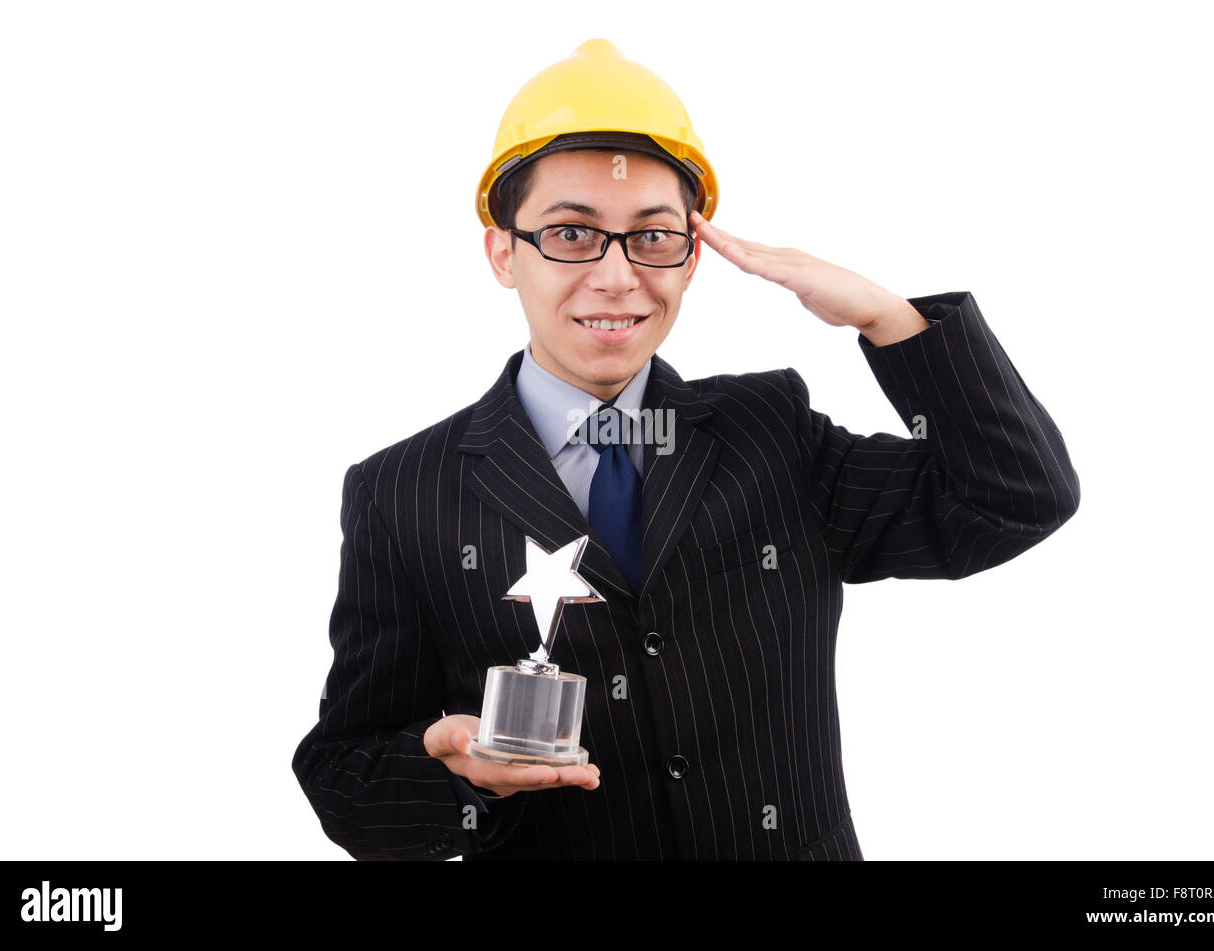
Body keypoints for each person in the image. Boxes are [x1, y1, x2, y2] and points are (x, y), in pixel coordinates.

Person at [291, 39, 1080, 860]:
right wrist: (458, 774)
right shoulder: (403, 489)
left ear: (693, 256)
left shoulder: (769, 430)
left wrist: (887, 319)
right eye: (570, 233)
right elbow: (346, 779)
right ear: (502, 252)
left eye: (654, 236)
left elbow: (1016, 495)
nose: (617, 276)